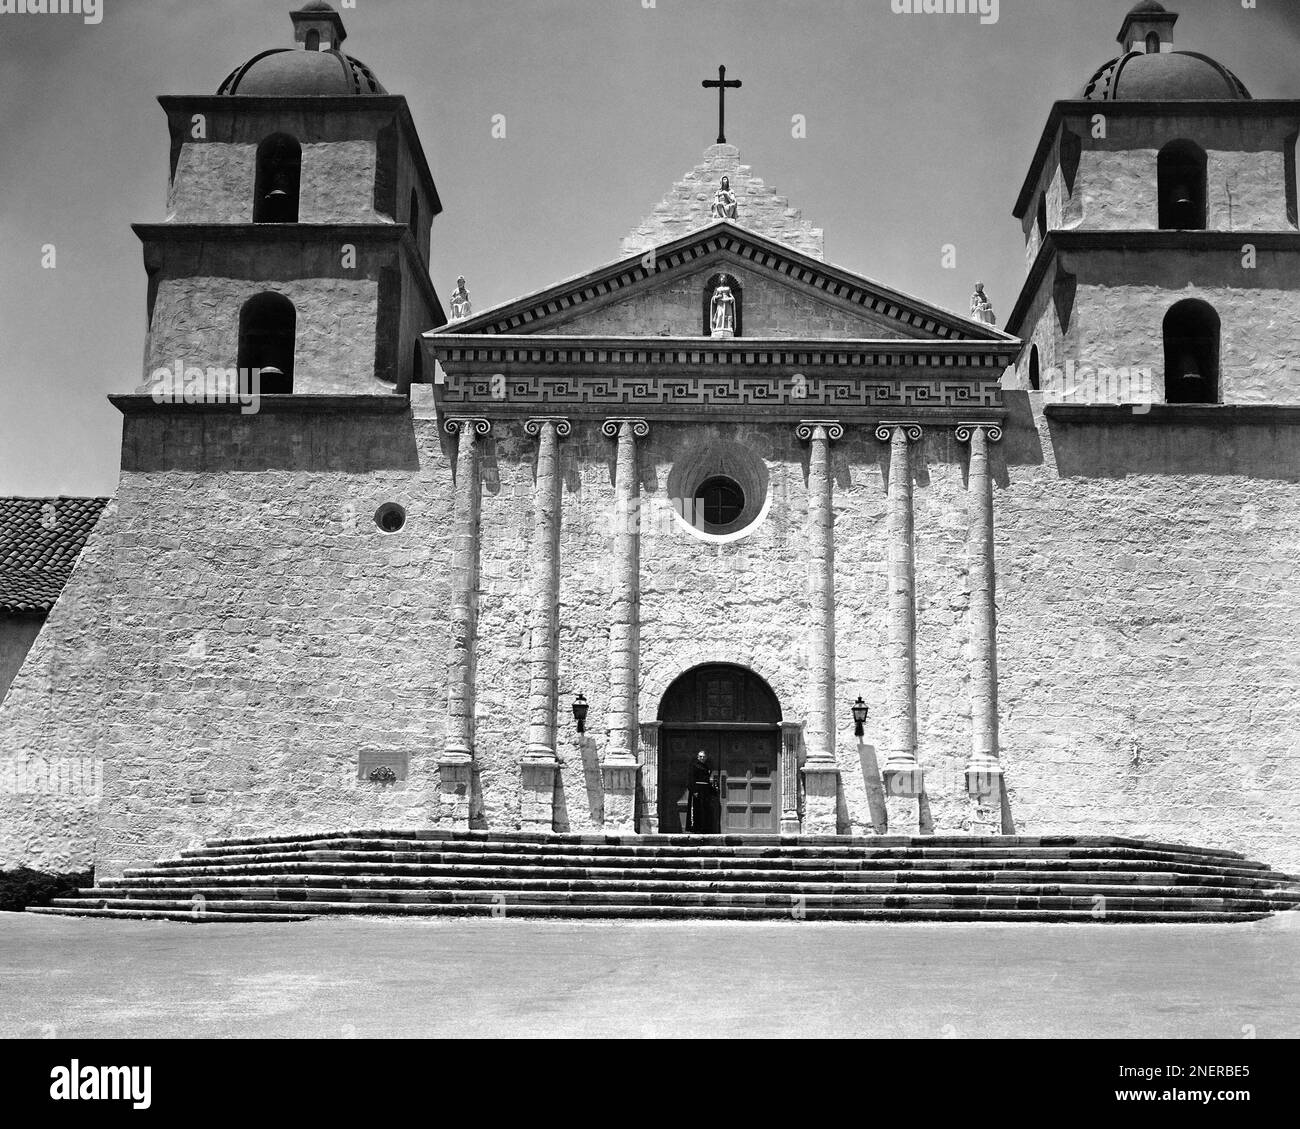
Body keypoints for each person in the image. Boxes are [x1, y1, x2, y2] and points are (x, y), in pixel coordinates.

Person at [686, 750, 720, 834]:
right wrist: (694, 791)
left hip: (705, 791)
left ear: (706, 758)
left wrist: (713, 791)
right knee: (696, 809)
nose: (702, 758)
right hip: (697, 791)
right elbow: (690, 779)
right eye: (700, 756)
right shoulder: (694, 766)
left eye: (703, 756)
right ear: (698, 757)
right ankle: (695, 828)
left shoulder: (707, 767)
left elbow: (707, 780)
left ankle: (704, 828)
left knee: (705, 810)